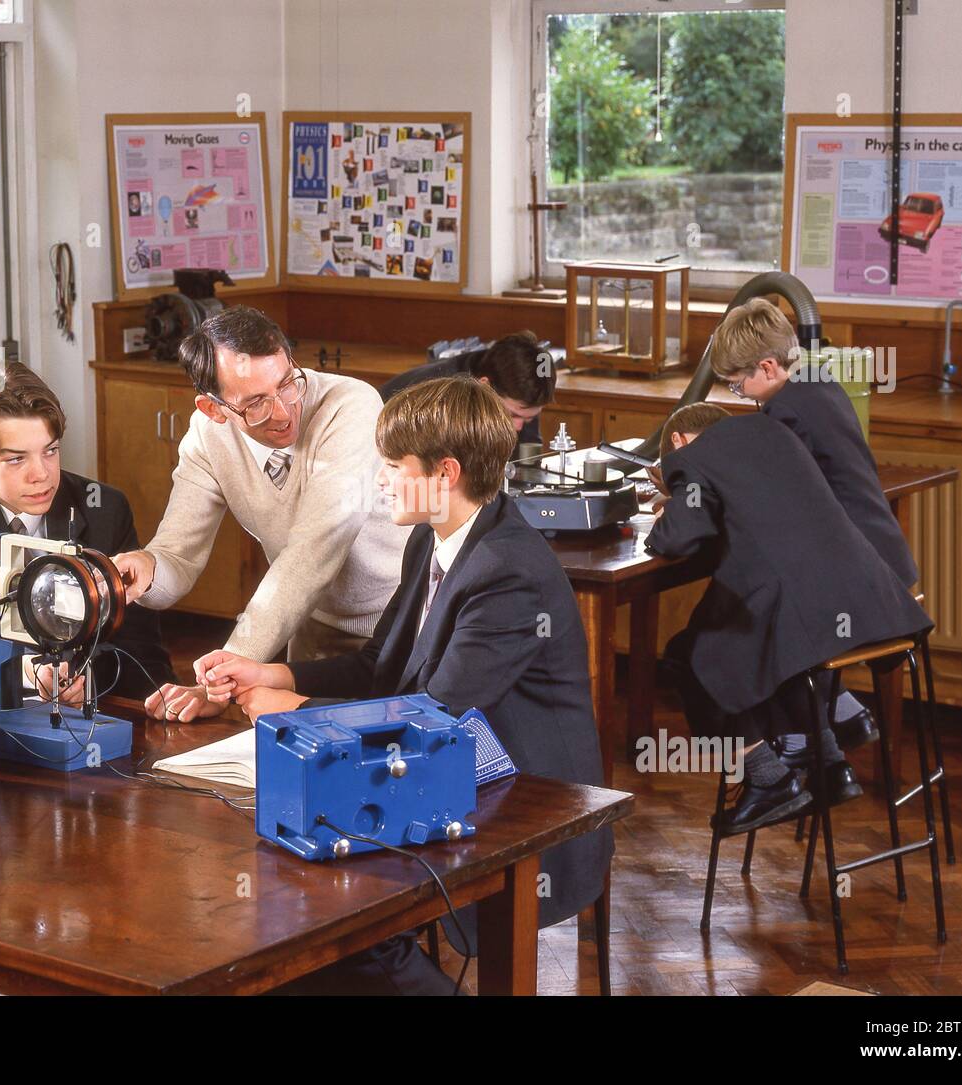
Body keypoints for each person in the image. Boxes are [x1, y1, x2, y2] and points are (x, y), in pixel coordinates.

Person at [195, 376, 613, 995]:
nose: (380, 480)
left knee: (340, 900)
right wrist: (271, 673)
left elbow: (435, 717)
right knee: (306, 873)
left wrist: (295, 709)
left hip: (522, 800)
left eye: (392, 465)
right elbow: (378, 667)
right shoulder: (431, 536)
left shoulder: (508, 570)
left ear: (444, 473)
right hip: (445, 775)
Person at [112, 305, 409, 722]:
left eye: (288, 384)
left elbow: (312, 554)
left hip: (396, 628)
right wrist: (145, 568)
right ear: (212, 409)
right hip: (309, 628)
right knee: (305, 765)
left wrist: (225, 672)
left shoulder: (351, 406)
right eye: (255, 404)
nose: (285, 412)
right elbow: (178, 556)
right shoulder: (207, 436)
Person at [645, 402, 931, 832]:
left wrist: (668, 505)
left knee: (689, 655)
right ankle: (831, 764)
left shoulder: (691, 455)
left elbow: (678, 539)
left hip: (802, 614)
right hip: (870, 602)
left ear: (679, 442)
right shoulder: (775, 433)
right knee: (776, 651)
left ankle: (766, 779)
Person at [708, 297, 919, 756]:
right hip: (885, 561)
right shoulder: (818, 383)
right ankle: (839, 715)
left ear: (766, 366)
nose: (739, 395)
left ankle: (800, 750)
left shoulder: (786, 414)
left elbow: (782, 505)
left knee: (747, 628)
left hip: (859, 578)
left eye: (738, 385)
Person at [0, 361, 177, 703]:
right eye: (16, 460)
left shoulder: (105, 508)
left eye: (50, 451)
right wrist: (25, 672)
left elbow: (139, 646)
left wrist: (89, 678)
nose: (42, 475)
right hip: (6, 696)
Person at [379, 331, 556, 448]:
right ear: (484, 385)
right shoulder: (438, 397)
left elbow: (526, 462)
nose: (518, 427)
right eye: (512, 415)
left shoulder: (523, 392)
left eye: (528, 419)